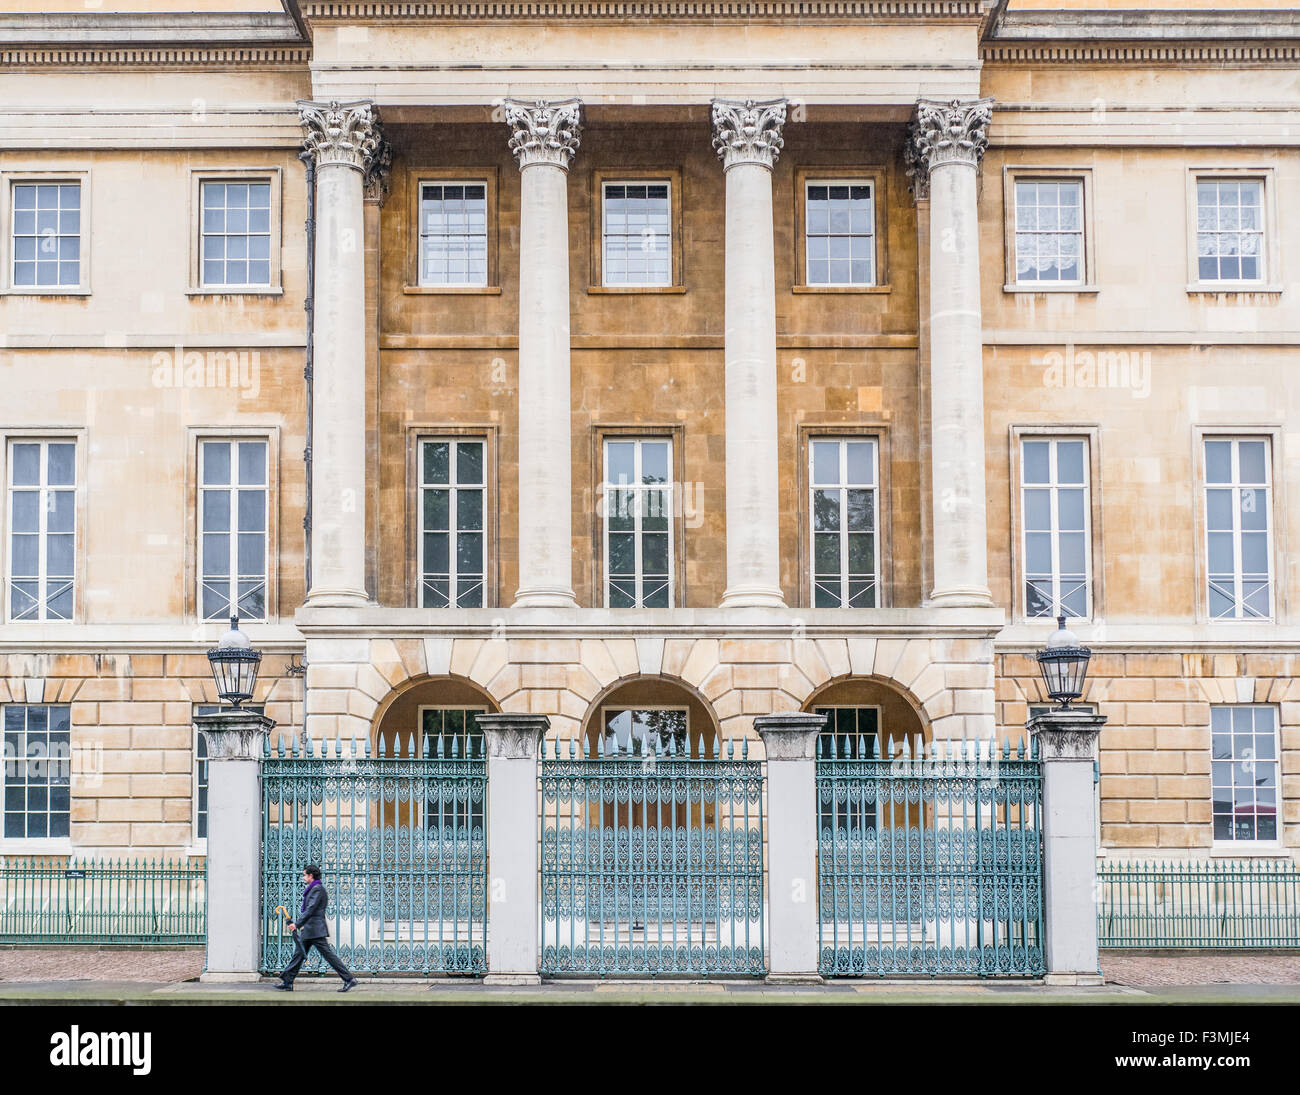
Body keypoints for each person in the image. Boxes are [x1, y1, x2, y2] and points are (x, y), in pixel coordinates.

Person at [275, 865, 358, 993]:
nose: (303, 877)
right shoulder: (314, 889)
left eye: (304, 875)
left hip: (315, 929)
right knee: (298, 955)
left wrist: (297, 924)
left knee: (329, 956)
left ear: (310, 876)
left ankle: (349, 979)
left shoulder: (317, 889)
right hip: (310, 929)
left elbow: (311, 909)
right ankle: (288, 982)